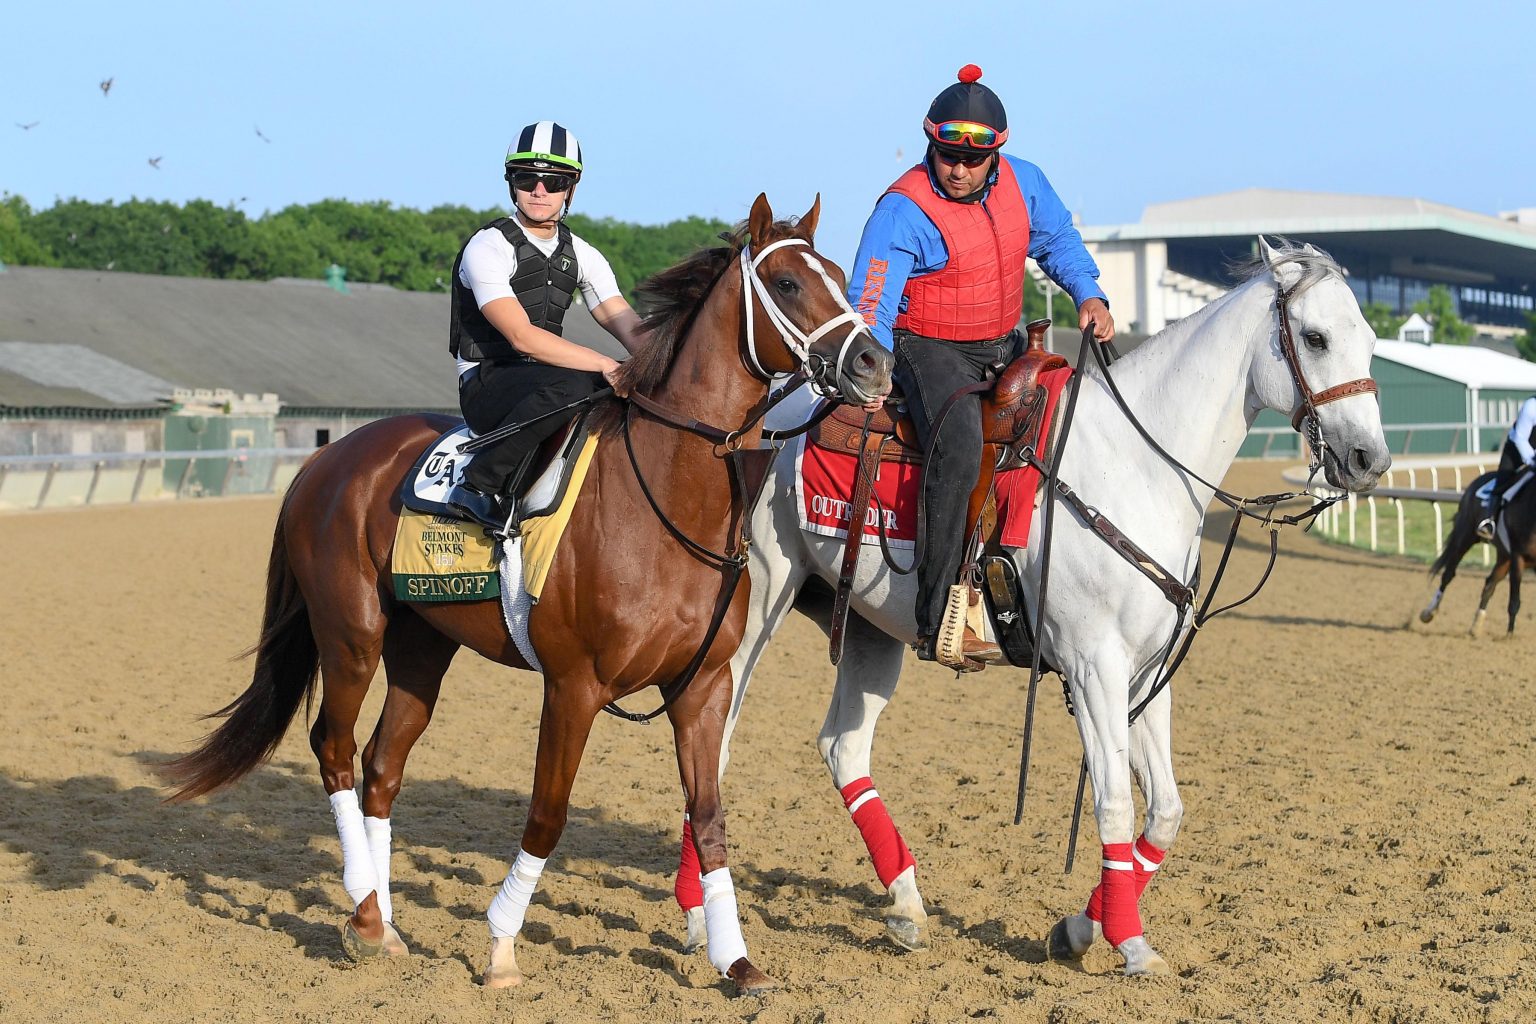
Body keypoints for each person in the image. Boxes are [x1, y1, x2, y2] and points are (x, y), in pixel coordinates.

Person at [845, 65, 1114, 668]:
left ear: (996, 152)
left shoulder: (1027, 182)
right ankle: (937, 614)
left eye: (973, 159)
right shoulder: (902, 208)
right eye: (946, 156)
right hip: (928, 347)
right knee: (961, 446)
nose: (958, 169)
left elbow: (1059, 241)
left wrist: (1088, 293)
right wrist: (875, 369)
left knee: (1076, 419)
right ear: (931, 145)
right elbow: (872, 303)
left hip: (1004, 340)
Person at [449, 120, 648, 531]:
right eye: (527, 178)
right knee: (579, 384)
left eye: (554, 181)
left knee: (619, 392)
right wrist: (607, 364)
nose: (539, 190)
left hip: (542, 381)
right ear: (512, 183)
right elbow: (521, 337)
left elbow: (622, 320)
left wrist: (672, 363)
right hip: (489, 382)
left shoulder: (583, 254)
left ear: (570, 189)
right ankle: (477, 483)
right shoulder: (488, 246)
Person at [1477, 394, 1536, 540]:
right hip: (1517, 450)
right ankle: (1489, 520)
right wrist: (1532, 461)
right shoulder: (1531, 406)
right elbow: (1520, 438)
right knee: (1503, 479)